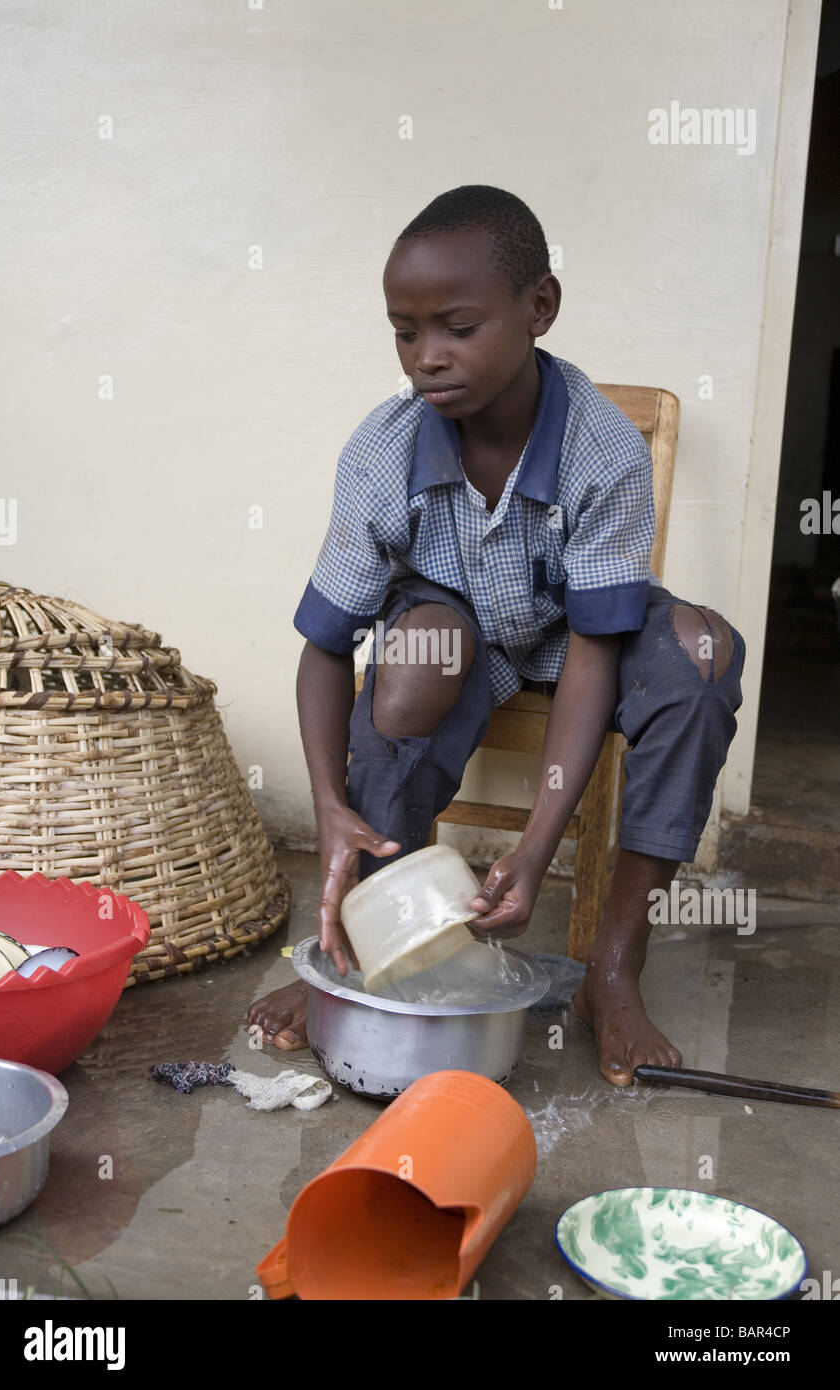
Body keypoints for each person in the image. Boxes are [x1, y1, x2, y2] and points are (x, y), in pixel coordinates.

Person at [248, 184, 745, 1085]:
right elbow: (327, 644)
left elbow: (596, 648)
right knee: (413, 662)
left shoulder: (601, 449)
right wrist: (328, 805)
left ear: (538, 308)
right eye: (405, 331)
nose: (426, 357)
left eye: (458, 326)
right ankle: (359, 947)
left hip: (581, 633)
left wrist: (537, 844)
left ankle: (611, 971)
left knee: (702, 656)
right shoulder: (382, 452)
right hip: (455, 625)